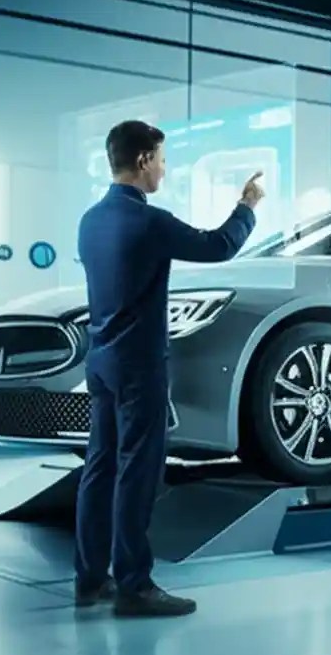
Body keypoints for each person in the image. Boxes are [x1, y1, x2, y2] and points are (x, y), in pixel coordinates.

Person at [73, 119, 264, 617]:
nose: (164, 168)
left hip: (101, 361)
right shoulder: (149, 221)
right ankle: (135, 585)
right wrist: (247, 206)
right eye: (160, 158)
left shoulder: (90, 221)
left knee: (100, 467)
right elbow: (219, 246)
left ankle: (91, 578)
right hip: (139, 366)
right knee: (138, 471)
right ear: (141, 161)